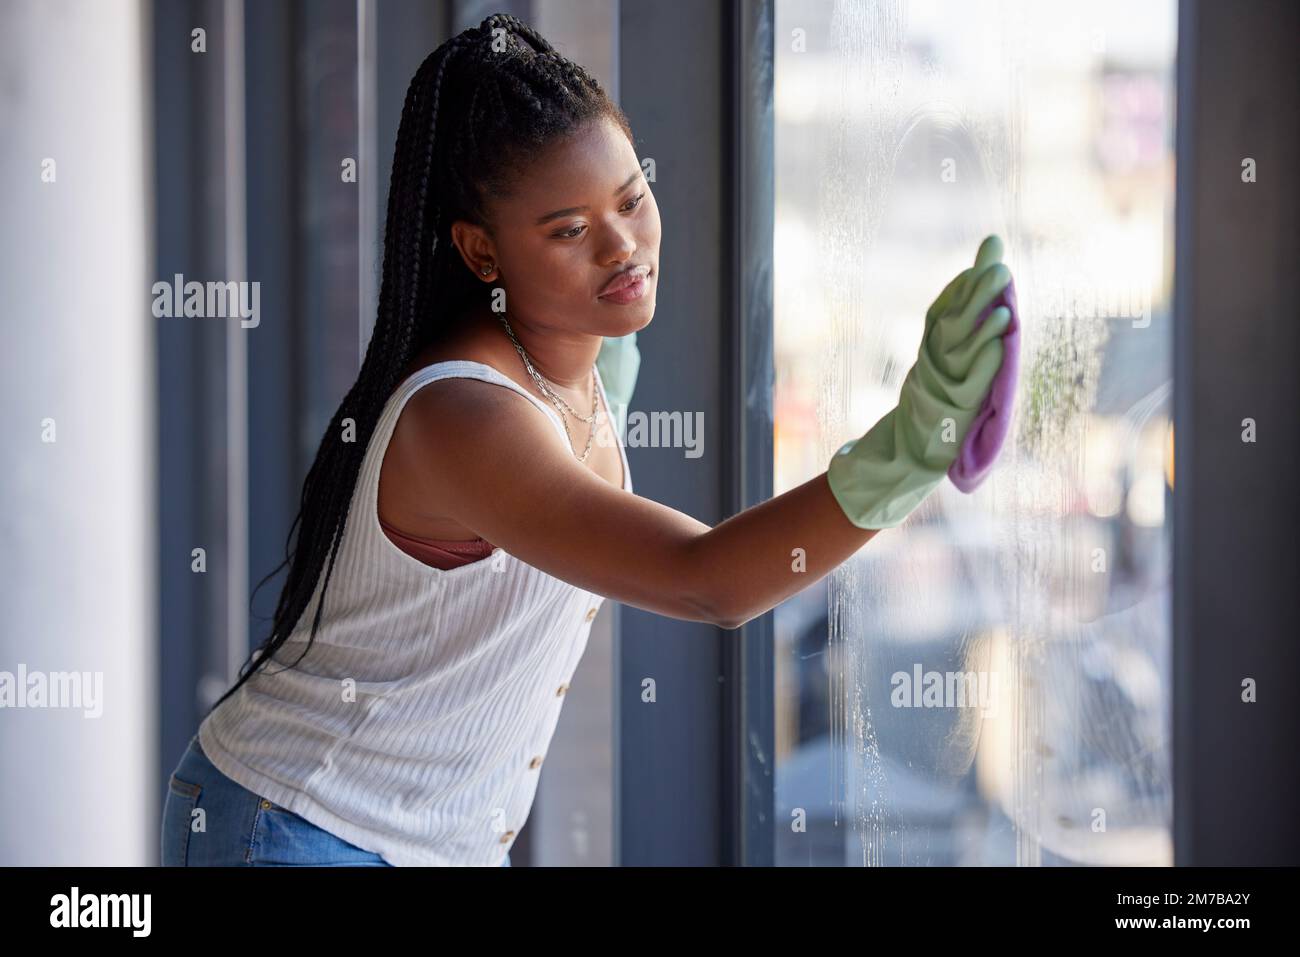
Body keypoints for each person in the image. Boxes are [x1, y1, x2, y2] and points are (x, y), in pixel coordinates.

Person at [161, 13, 1014, 867]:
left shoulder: (564, 368)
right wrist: (912, 442)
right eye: (569, 231)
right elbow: (705, 581)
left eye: (632, 198)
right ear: (480, 252)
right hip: (294, 827)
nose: (622, 245)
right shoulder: (469, 418)